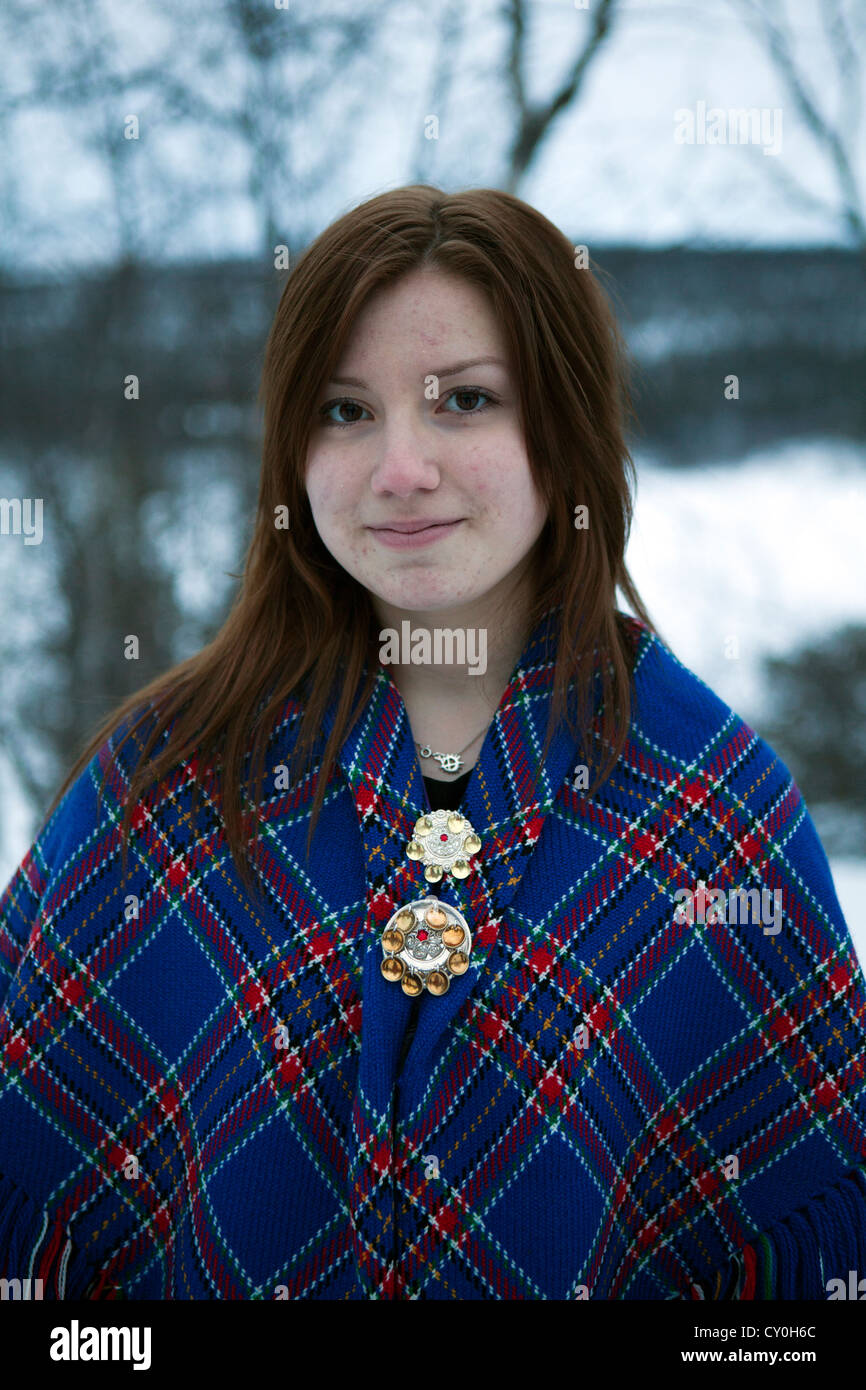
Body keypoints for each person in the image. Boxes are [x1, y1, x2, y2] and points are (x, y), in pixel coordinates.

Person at [1, 185, 864, 1301]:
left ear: (561, 427)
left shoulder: (705, 804)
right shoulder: (166, 777)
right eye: (345, 411)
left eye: (461, 400)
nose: (398, 468)